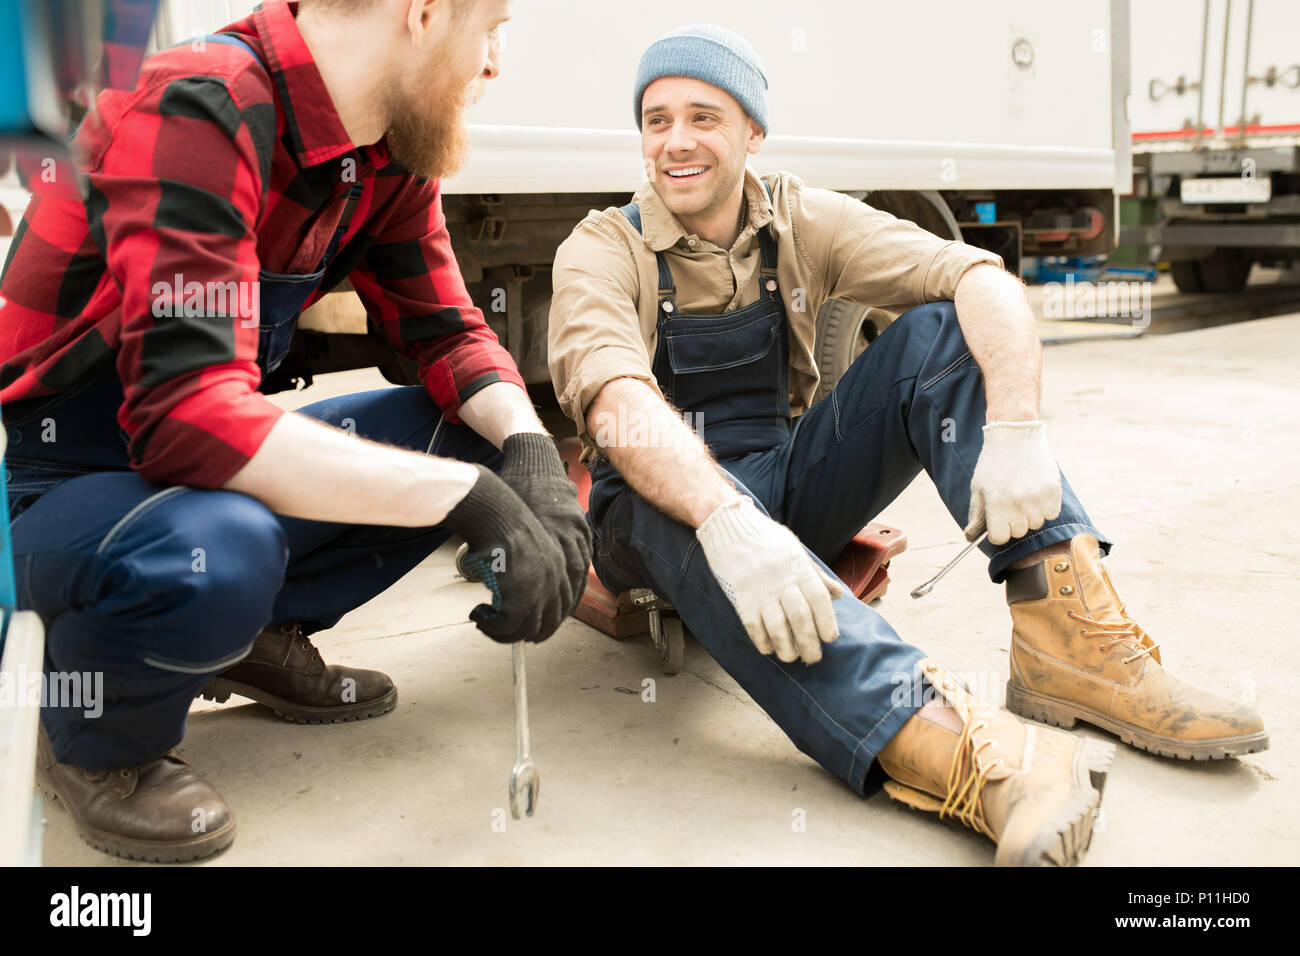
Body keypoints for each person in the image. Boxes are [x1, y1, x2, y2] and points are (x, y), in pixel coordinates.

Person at [547, 23, 1268, 865]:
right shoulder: (603, 247)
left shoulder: (798, 217)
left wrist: (1017, 429)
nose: (676, 142)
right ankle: (970, 755)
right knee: (671, 509)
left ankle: (1072, 645)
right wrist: (722, 517)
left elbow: (977, 278)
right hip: (652, 513)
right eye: (656, 118)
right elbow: (615, 404)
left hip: (780, 483)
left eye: (704, 117)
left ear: (753, 133)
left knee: (936, 333)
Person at [0, 0, 589, 862]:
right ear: (424, 14)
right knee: (224, 543)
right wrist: (472, 500)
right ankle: (95, 733)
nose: (494, 63)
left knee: (473, 434)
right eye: (490, 28)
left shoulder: (382, 155)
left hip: (184, 477)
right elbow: (190, 420)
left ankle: (242, 639)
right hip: (60, 490)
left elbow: (452, 335)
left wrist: (531, 456)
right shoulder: (200, 102)